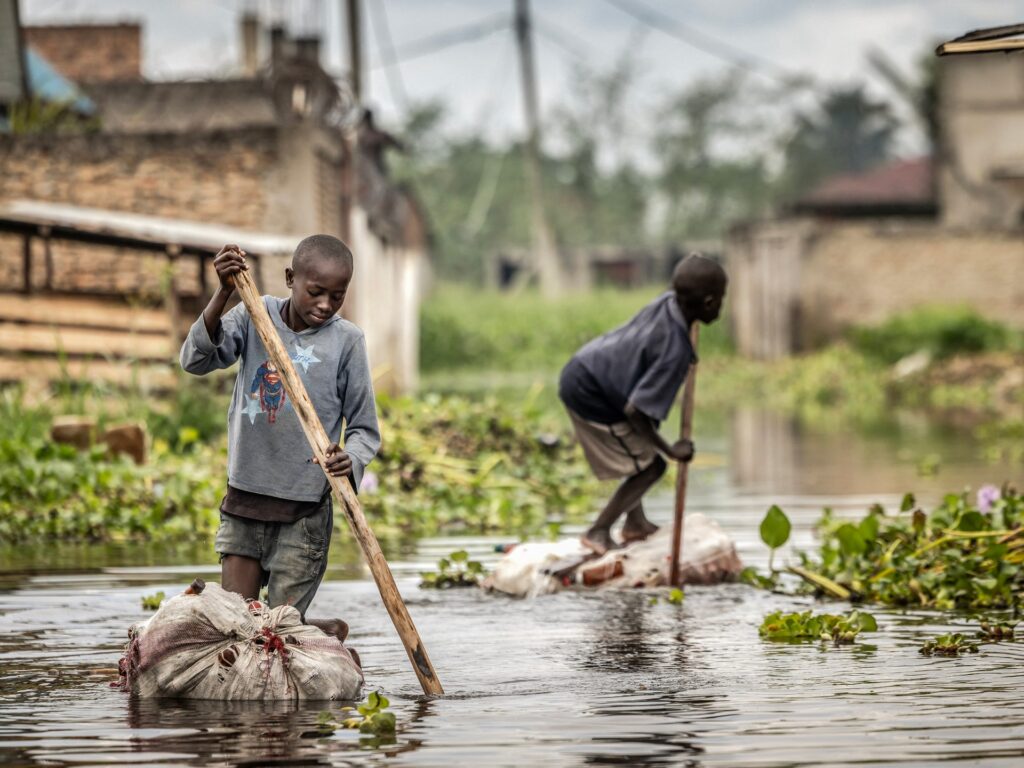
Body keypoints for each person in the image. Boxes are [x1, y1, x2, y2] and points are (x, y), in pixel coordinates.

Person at [179, 235, 380, 647]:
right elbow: (195, 360)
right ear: (291, 278)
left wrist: (351, 458)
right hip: (245, 502)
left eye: (337, 296)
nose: (325, 304)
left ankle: (307, 632)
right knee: (236, 629)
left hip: (304, 512)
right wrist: (224, 292)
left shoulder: (347, 342)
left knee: (275, 635)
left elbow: (364, 429)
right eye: (315, 292)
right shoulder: (255, 315)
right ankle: (320, 631)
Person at [558, 254, 728, 555]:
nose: (722, 307)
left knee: (638, 454)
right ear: (708, 302)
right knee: (652, 467)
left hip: (592, 372)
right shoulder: (674, 350)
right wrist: (671, 451)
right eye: (721, 299)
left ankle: (635, 523)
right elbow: (636, 412)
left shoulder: (669, 301)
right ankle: (598, 530)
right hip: (591, 390)